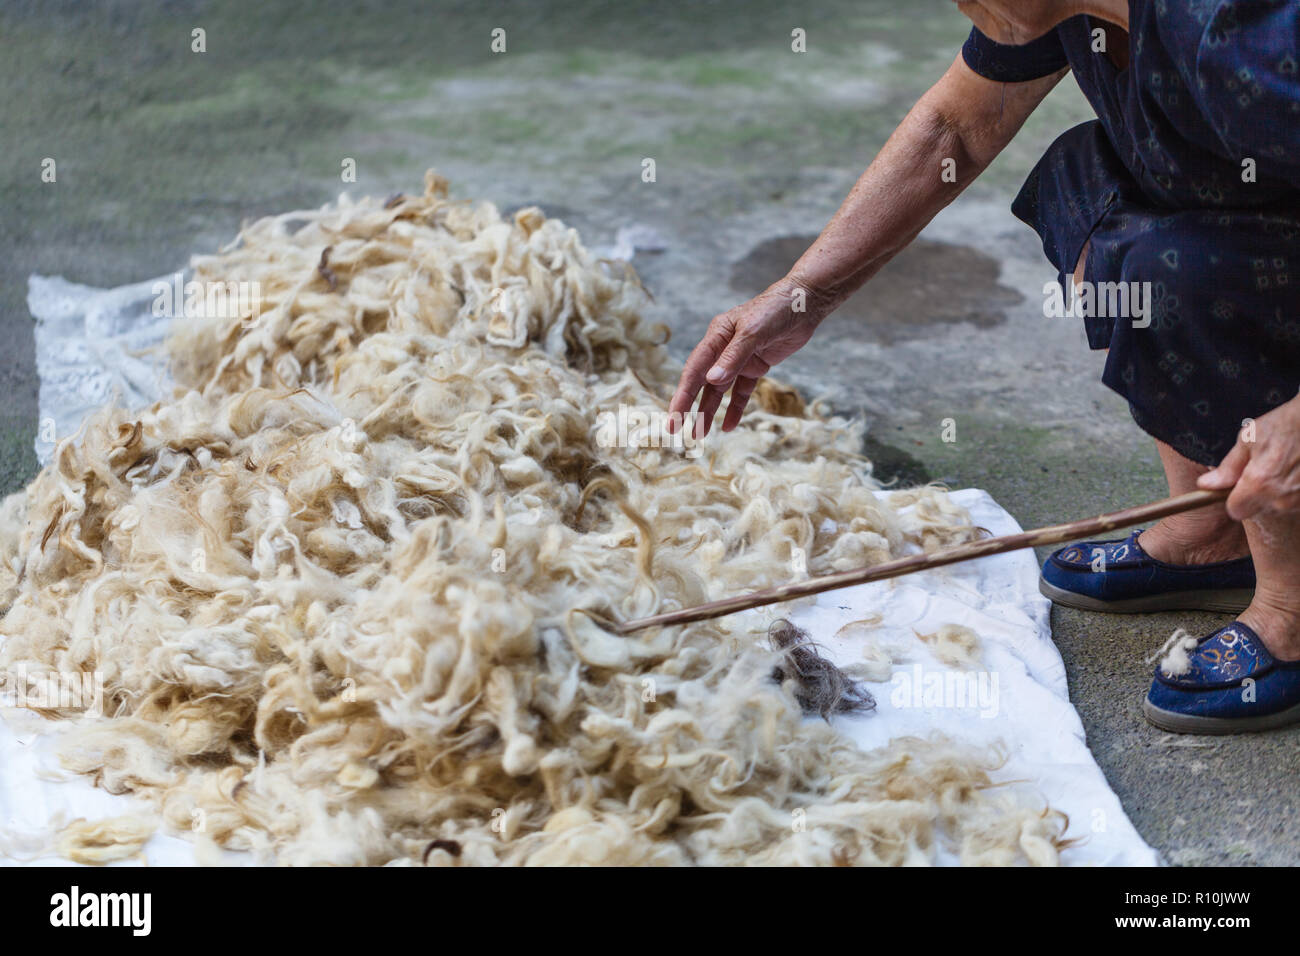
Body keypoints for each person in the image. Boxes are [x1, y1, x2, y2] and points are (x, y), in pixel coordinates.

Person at [668, 0, 1300, 733]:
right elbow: (956, 128)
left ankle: (1292, 602)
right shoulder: (1075, 8)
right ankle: (1213, 530)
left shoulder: (1246, 35)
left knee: (1175, 270)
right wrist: (803, 296)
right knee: (1088, 181)